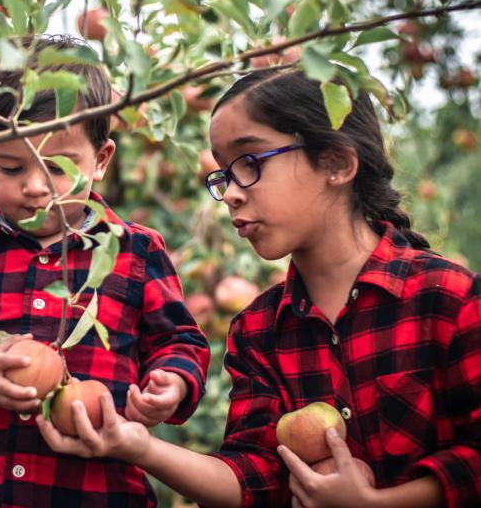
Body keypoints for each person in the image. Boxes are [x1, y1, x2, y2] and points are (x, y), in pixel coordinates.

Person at [36, 68, 481, 508]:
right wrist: (138, 447)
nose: (229, 192)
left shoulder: (448, 299)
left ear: (337, 162)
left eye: (249, 163)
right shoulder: (257, 330)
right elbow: (254, 477)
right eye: (224, 173)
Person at [0, 34, 210, 508]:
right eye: (10, 167)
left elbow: (180, 341)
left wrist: (171, 383)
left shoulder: (135, 251)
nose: (34, 187)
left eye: (57, 168)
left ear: (101, 160)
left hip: (104, 494)